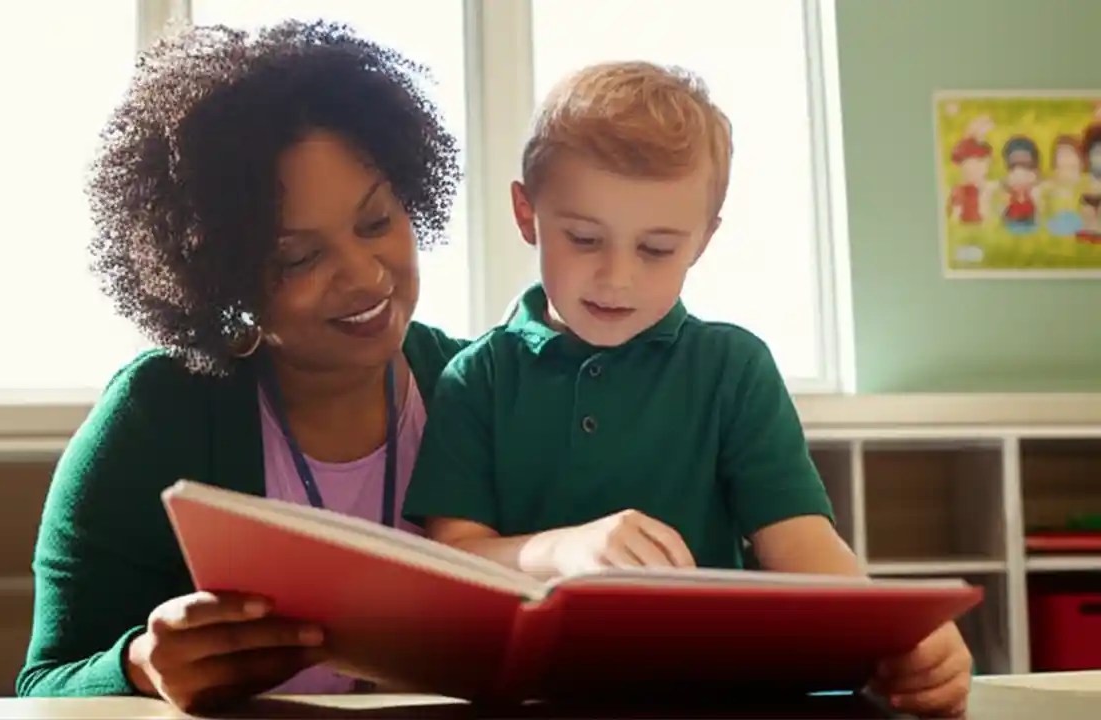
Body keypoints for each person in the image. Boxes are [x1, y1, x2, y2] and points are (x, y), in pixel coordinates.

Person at [401, 61, 972, 717]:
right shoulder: (479, 377)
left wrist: (900, 639)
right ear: (527, 214)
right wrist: (565, 549)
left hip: (715, 697)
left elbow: (803, 547)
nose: (616, 278)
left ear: (703, 240)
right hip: (535, 698)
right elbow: (454, 564)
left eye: (656, 249)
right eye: (584, 238)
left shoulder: (733, 367)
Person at [15, 21, 466, 713]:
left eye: (376, 222)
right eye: (298, 258)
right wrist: (140, 665)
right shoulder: (157, 414)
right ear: (220, 278)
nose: (363, 274)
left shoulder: (481, 389)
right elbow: (45, 685)